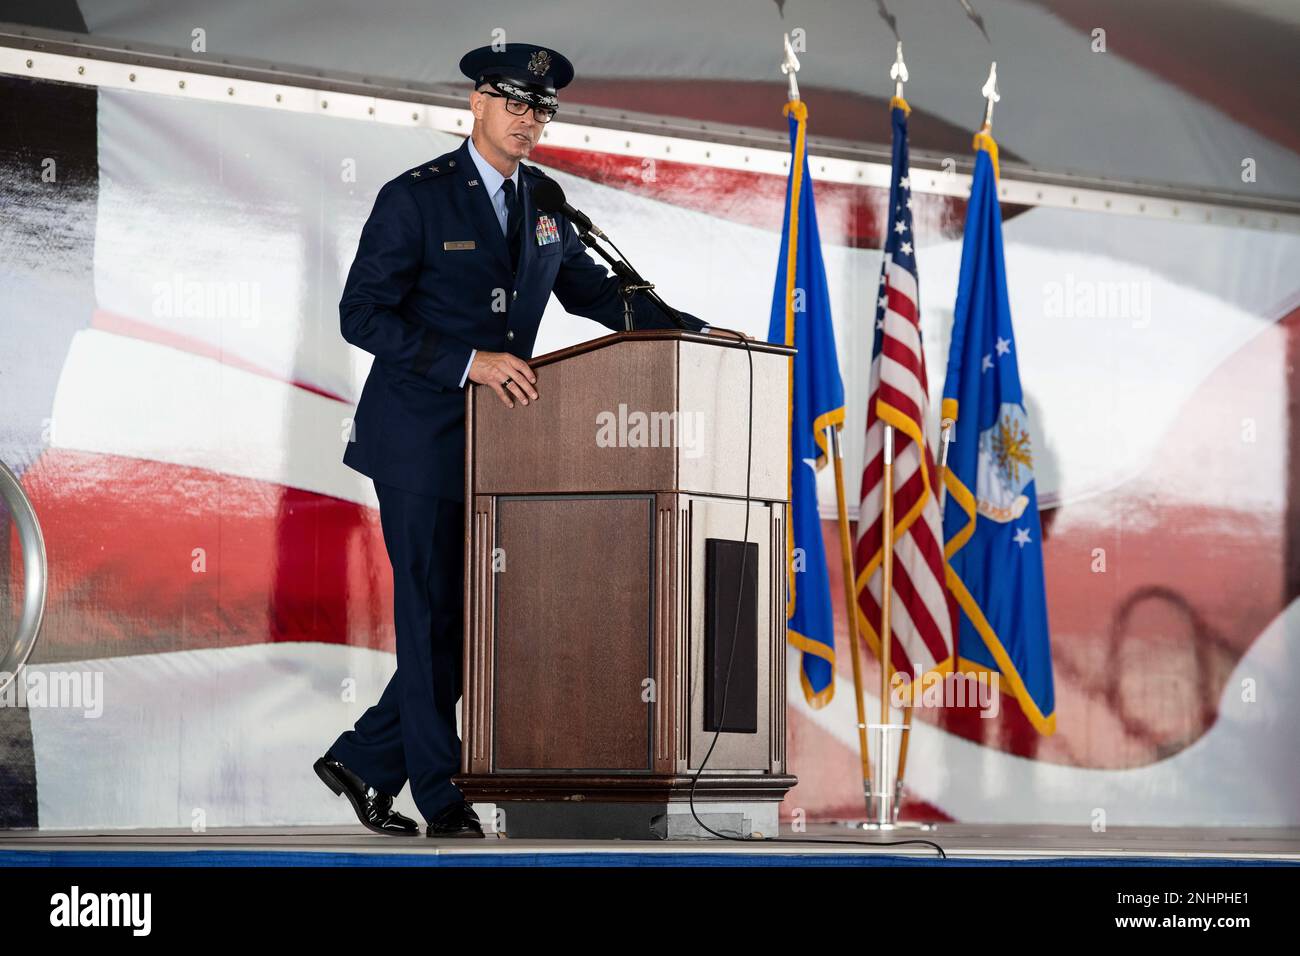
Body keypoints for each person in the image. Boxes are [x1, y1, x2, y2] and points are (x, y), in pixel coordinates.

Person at [314, 42, 712, 838]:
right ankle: (440, 795)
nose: (529, 119)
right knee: (432, 620)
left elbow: (597, 293)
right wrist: (469, 361)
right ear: (477, 102)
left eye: (542, 108)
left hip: (509, 450)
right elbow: (361, 315)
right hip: (419, 440)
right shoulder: (415, 198)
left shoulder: (548, 199)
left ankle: (363, 758)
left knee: (472, 626)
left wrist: (699, 336)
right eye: (514, 102)